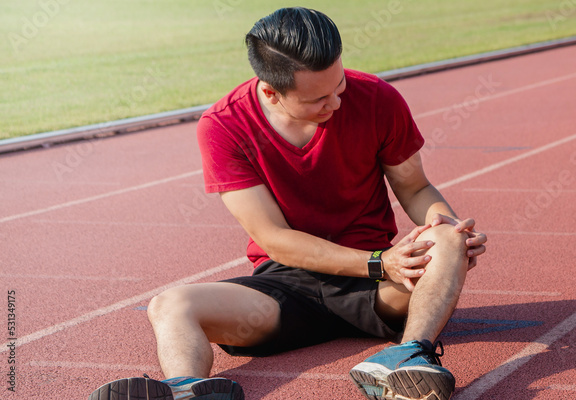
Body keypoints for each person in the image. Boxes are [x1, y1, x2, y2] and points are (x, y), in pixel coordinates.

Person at [88, 7, 486, 400]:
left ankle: (407, 356)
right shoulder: (224, 126)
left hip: (378, 288)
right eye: (318, 99)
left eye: (339, 86)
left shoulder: (378, 99)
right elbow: (274, 239)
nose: (336, 103)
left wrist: (450, 235)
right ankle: (185, 389)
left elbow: (416, 189)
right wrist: (379, 262)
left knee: (448, 236)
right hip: (284, 289)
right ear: (270, 92)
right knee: (170, 304)